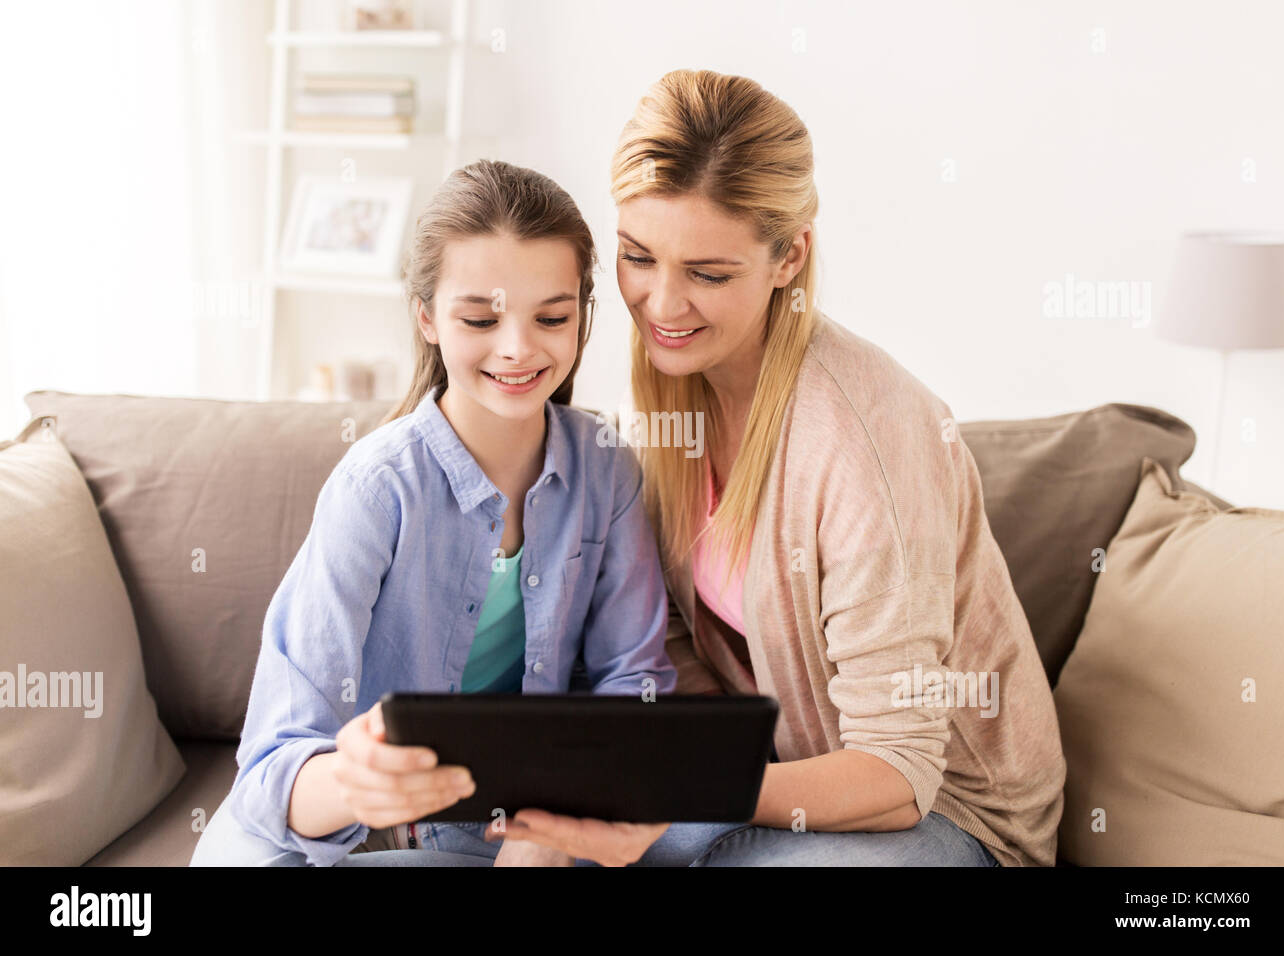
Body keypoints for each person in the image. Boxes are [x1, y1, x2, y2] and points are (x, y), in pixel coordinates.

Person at [494, 69, 1067, 867]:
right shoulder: (673, 395)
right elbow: (687, 647)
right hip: (780, 778)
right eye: (638, 257)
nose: (661, 304)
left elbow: (900, 773)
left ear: (789, 257)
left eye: (709, 274)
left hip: (947, 816)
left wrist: (671, 789)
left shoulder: (868, 434)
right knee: (536, 835)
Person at [190, 159, 678, 867]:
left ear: (585, 317)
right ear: (426, 316)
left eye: (552, 317)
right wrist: (360, 785)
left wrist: (558, 820)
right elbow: (272, 769)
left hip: (514, 820)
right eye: (480, 317)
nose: (518, 347)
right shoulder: (377, 486)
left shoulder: (606, 469)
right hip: (361, 832)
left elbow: (635, 688)